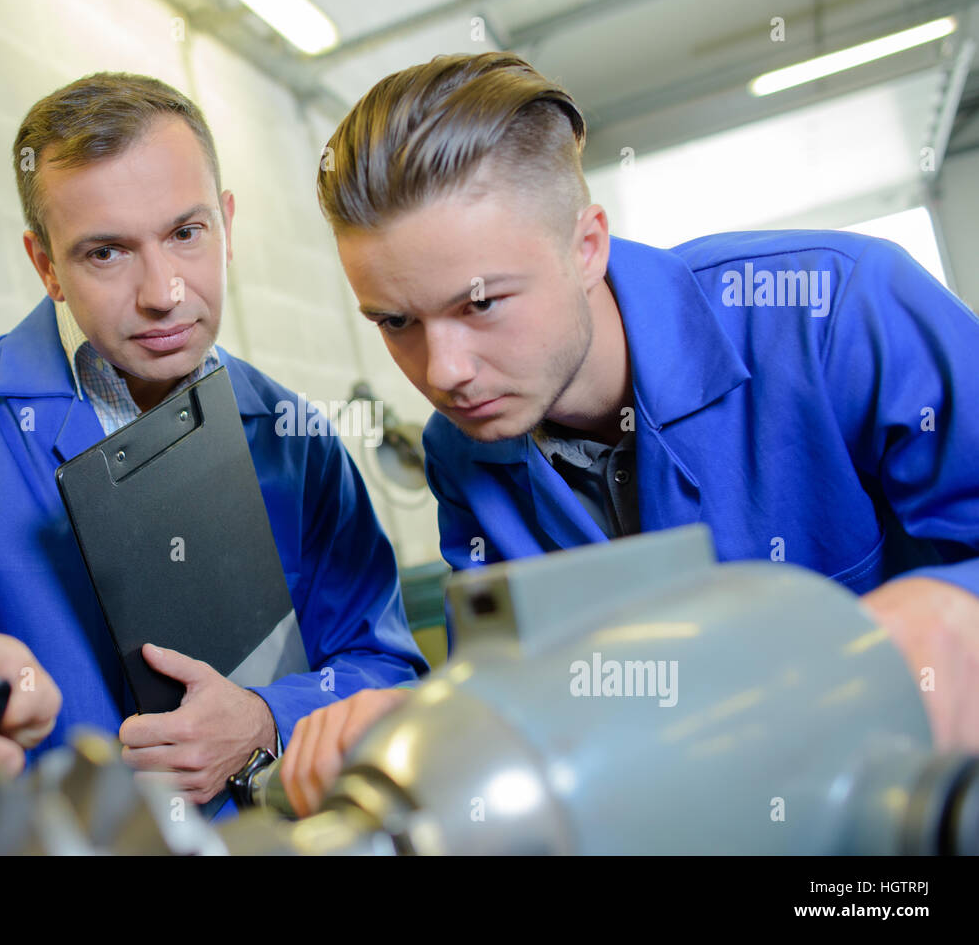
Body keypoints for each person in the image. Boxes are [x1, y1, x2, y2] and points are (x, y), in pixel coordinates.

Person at [280, 51, 979, 817]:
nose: (445, 373)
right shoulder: (464, 451)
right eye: (397, 321)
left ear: (586, 247)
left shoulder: (838, 311)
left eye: (481, 305)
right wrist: (418, 728)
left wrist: (949, 606)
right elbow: (521, 689)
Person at [0, 72, 427, 813]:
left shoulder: (297, 441)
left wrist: (265, 719)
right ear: (47, 266)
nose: (163, 291)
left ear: (226, 226)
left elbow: (384, 667)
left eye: (185, 232)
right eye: (106, 253)